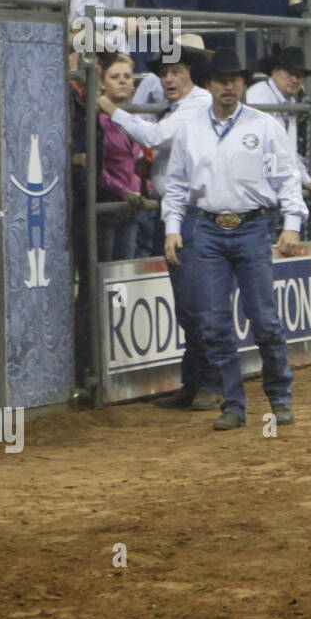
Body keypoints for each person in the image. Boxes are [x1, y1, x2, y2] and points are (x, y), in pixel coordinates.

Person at [163, 49, 308, 430]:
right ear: (209, 84)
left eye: (236, 79)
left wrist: (291, 223)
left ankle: (279, 395)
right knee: (213, 322)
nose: (229, 86)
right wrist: (172, 227)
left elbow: (286, 178)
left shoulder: (264, 127)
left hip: (251, 226)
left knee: (264, 320)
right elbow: (176, 184)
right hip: (207, 227)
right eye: (222, 80)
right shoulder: (191, 128)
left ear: (243, 83)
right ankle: (235, 402)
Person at [97, 33, 222, 410]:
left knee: (198, 302)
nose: (168, 79)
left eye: (176, 71)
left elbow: (154, 135)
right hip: (182, 213)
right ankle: (196, 382)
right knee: (191, 303)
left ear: (191, 74)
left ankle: (210, 383)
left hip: (194, 215)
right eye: (165, 73)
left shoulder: (194, 105)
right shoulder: (189, 105)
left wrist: (111, 109)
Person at [246, 47, 311, 229]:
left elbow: (288, 150)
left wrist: (306, 181)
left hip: (269, 190)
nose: (295, 79)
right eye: (290, 73)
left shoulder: (288, 102)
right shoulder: (258, 98)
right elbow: (261, 150)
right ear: (275, 72)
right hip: (257, 192)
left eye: (299, 75)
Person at [95, 52, 150, 262]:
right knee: (107, 267)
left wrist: (145, 189)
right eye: (115, 77)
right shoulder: (98, 121)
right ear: (103, 82)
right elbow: (96, 167)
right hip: (108, 204)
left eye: (127, 77)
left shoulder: (137, 118)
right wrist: (124, 191)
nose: (122, 81)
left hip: (133, 207)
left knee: (126, 267)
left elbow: (140, 161)